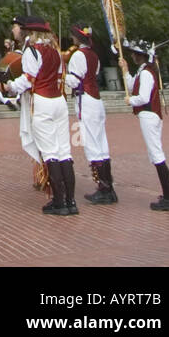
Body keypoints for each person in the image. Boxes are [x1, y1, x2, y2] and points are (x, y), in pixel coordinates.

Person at [7, 15, 77, 217]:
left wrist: (10, 87)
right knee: (65, 151)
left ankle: (58, 200)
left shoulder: (32, 51)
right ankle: (70, 201)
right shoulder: (55, 50)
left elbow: (28, 79)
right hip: (59, 101)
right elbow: (61, 76)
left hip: (43, 101)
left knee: (50, 153)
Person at [122, 39, 169, 212]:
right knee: (156, 154)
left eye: (134, 53)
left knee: (156, 155)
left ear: (140, 56)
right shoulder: (144, 71)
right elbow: (132, 85)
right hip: (149, 115)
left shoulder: (146, 73)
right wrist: (125, 71)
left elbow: (143, 97)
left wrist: (130, 101)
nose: (133, 55)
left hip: (149, 115)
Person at [64, 25, 116, 205]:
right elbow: (92, 74)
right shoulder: (94, 55)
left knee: (92, 143)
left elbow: (75, 79)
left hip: (85, 99)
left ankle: (103, 188)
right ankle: (108, 185)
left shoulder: (78, 55)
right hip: (96, 99)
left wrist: (63, 74)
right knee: (101, 142)